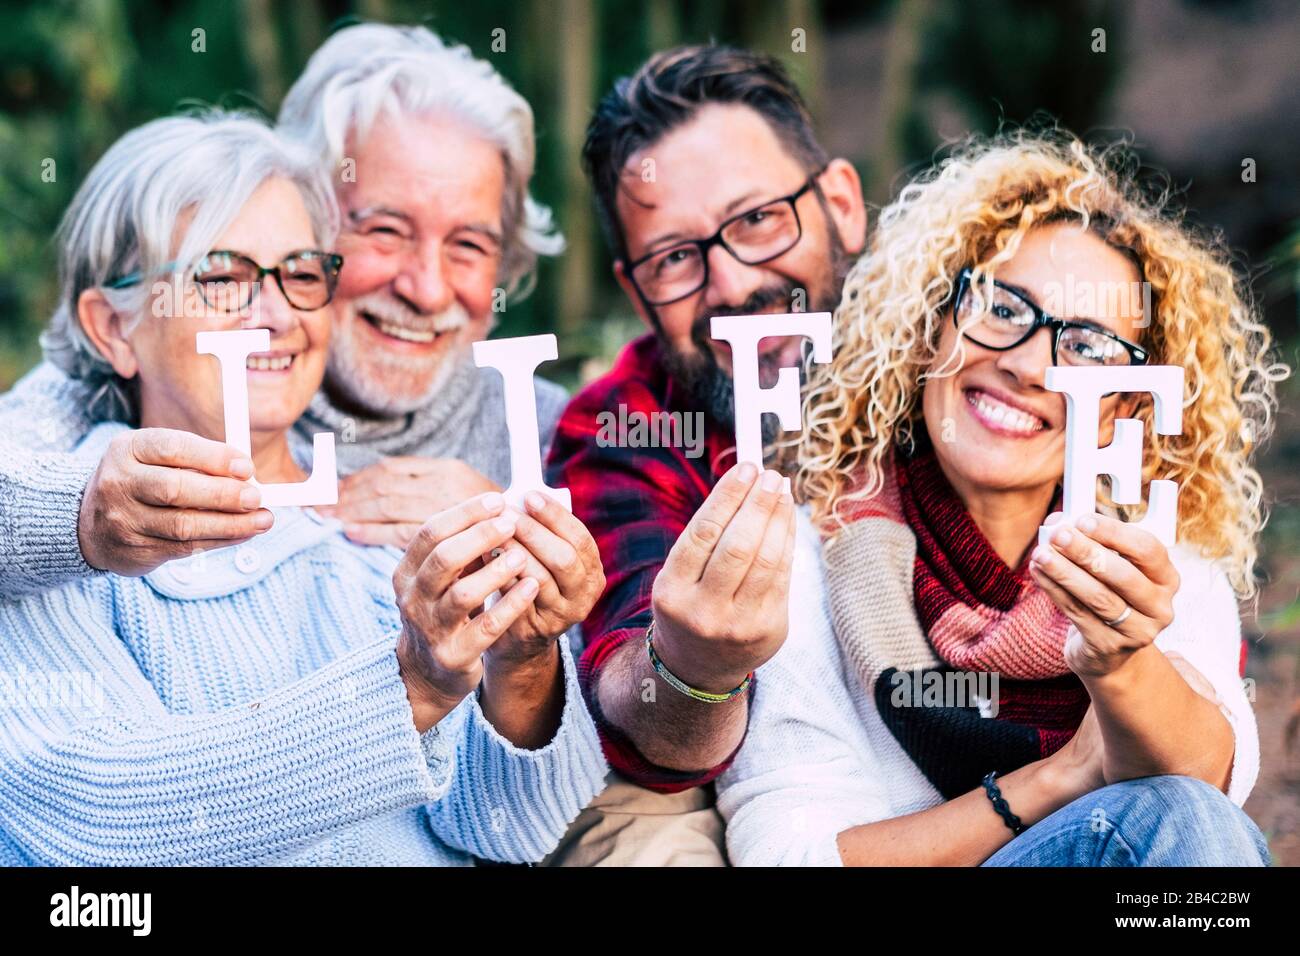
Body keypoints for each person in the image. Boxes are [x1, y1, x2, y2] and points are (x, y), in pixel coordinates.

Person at [0, 111, 607, 866]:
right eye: (222, 278)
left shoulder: (390, 534)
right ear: (113, 328)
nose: (278, 315)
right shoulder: (52, 541)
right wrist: (409, 687)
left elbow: (510, 832)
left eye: (299, 274)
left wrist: (523, 660)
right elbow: (96, 822)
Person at [715, 129, 1283, 866]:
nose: (1028, 365)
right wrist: (1057, 779)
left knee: (1184, 814)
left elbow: (1211, 790)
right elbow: (786, 856)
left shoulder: (1152, 555)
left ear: (1127, 406)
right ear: (928, 327)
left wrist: (1120, 665)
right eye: (1003, 307)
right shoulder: (805, 550)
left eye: (1089, 346)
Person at [0, 23, 603, 643]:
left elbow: (628, 692)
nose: (426, 289)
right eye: (385, 230)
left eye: (470, 245)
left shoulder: (555, 434)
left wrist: (504, 531)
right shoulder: (132, 386)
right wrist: (83, 518)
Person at [543, 45, 867, 865]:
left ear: (842, 203)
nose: (728, 285)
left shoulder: (977, 370)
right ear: (634, 290)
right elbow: (638, 697)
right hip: (706, 800)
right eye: (676, 258)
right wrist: (693, 669)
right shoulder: (623, 427)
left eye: (758, 219)